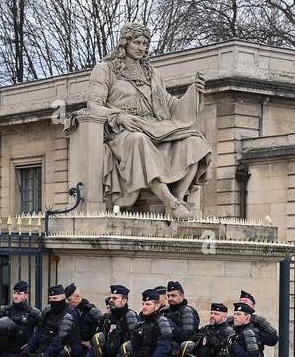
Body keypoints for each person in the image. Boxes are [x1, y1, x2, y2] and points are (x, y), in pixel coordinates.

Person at [86, 22, 212, 219]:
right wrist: (120, 116)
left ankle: (177, 199)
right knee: (138, 140)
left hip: (156, 127)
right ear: (125, 43)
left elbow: (170, 107)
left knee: (194, 141)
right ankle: (168, 200)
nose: (141, 47)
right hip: (121, 131)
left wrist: (193, 93)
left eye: (145, 43)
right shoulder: (105, 69)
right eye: (137, 42)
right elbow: (93, 106)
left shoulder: (152, 73)